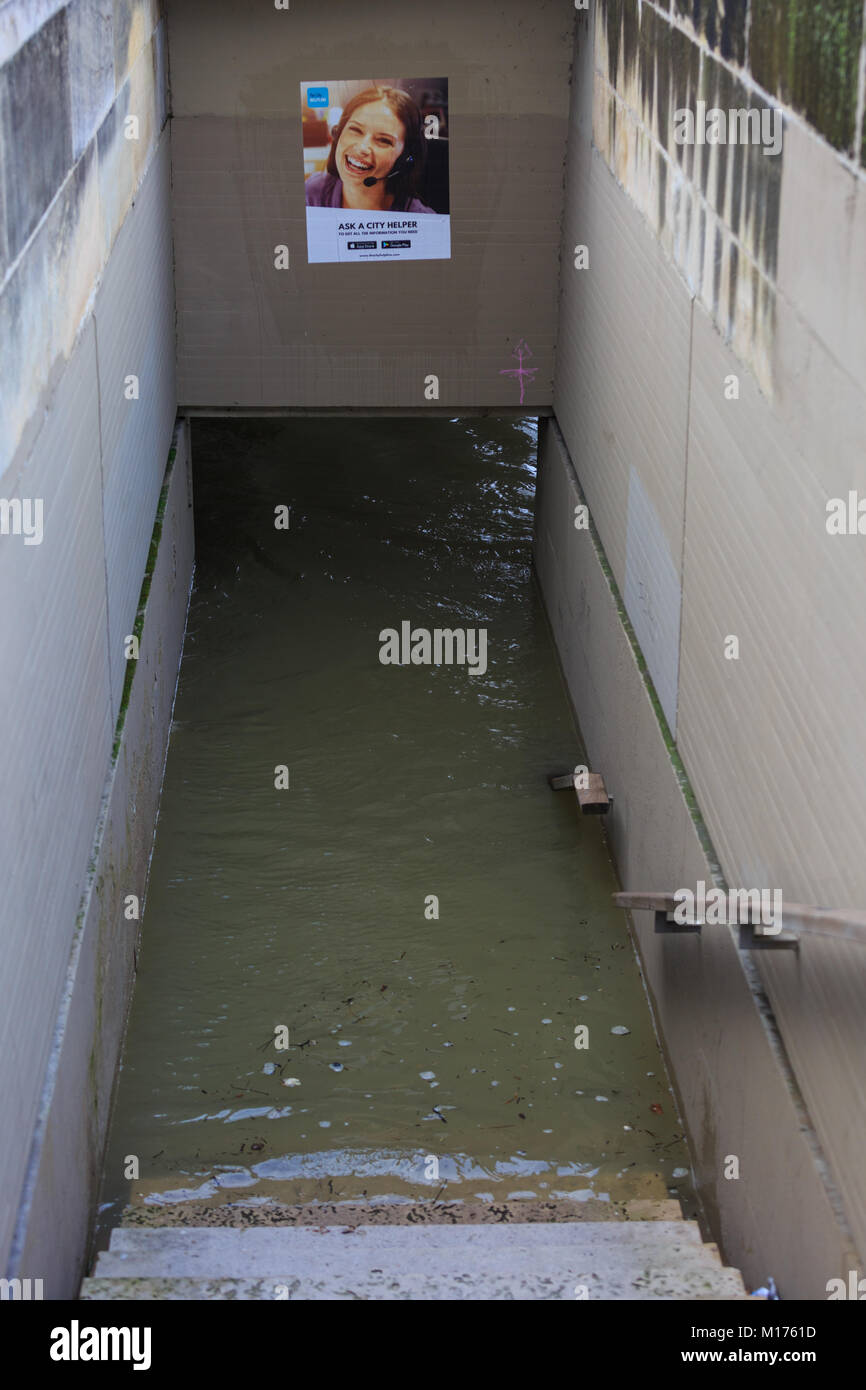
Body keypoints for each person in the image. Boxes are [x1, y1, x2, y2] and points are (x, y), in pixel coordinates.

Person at [305, 86, 436, 214]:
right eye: (355, 130)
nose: (362, 147)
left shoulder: (424, 222)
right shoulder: (312, 193)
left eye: (383, 140)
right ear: (339, 133)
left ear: (404, 157)